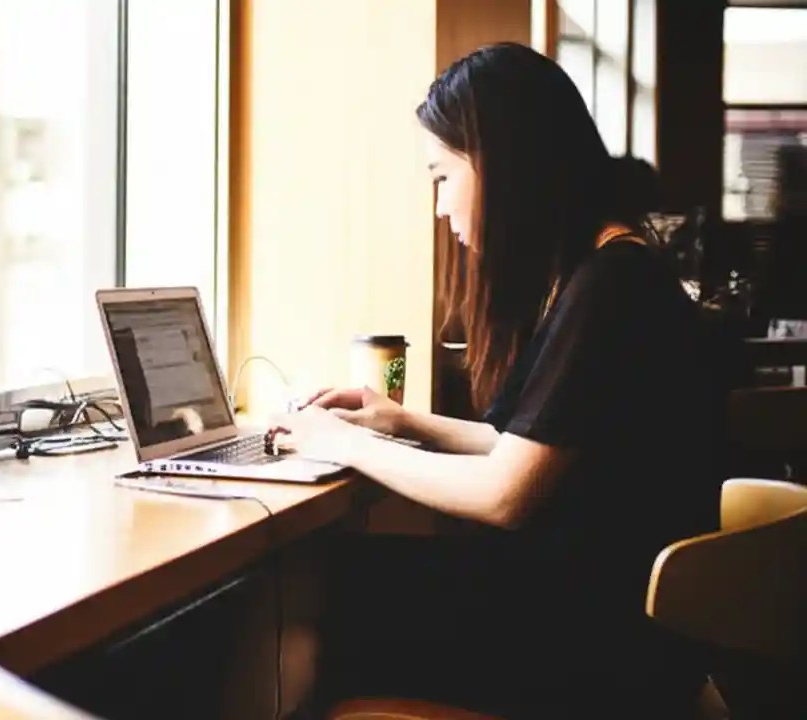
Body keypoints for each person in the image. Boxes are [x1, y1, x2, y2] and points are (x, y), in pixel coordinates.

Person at [273, 43, 725, 718]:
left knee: (315, 596)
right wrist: (401, 420)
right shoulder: (607, 269)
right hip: (613, 627)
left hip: (600, 654)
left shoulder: (610, 287)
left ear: (505, 165)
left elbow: (506, 493)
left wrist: (342, 445)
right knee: (339, 587)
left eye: (442, 176)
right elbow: (530, 447)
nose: (439, 208)